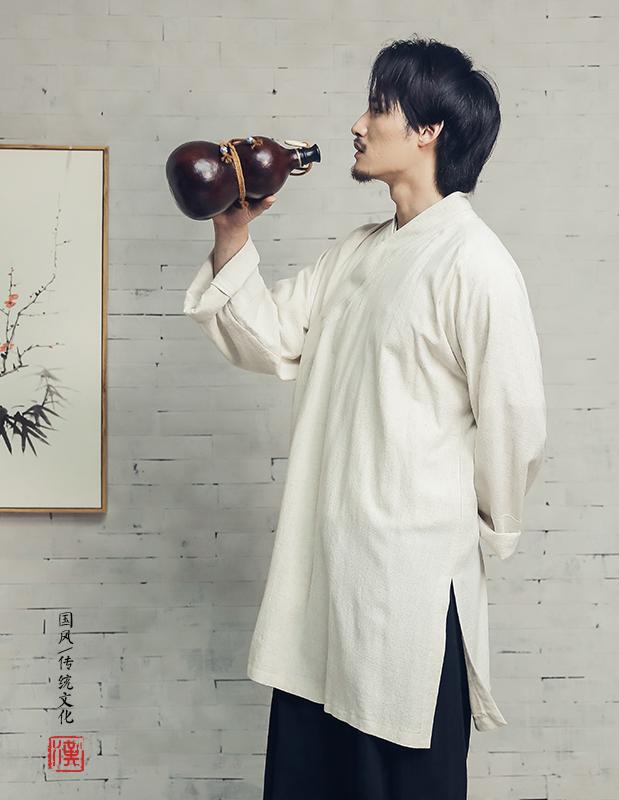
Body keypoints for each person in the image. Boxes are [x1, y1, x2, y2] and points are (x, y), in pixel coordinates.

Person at [183, 35, 547, 800]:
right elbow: (267, 336)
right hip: (323, 582)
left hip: (407, 591)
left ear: (428, 130)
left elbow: (513, 424)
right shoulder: (357, 252)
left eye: (378, 107)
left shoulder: (477, 264)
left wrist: (473, 536)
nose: (357, 123)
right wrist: (233, 232)